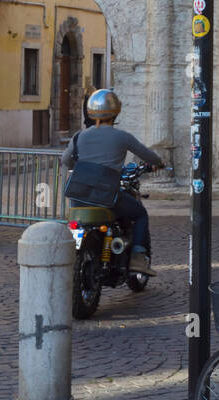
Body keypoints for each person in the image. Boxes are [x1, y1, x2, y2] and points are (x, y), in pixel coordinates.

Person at [60, 89, 162, 275]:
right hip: (106, 195)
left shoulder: (79, 136)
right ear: (116, 112)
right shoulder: (122, 137)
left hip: (78, 198)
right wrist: (159, 163)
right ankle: (138, 258)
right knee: (140, 215)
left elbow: (66, 160)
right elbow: (148, 155)